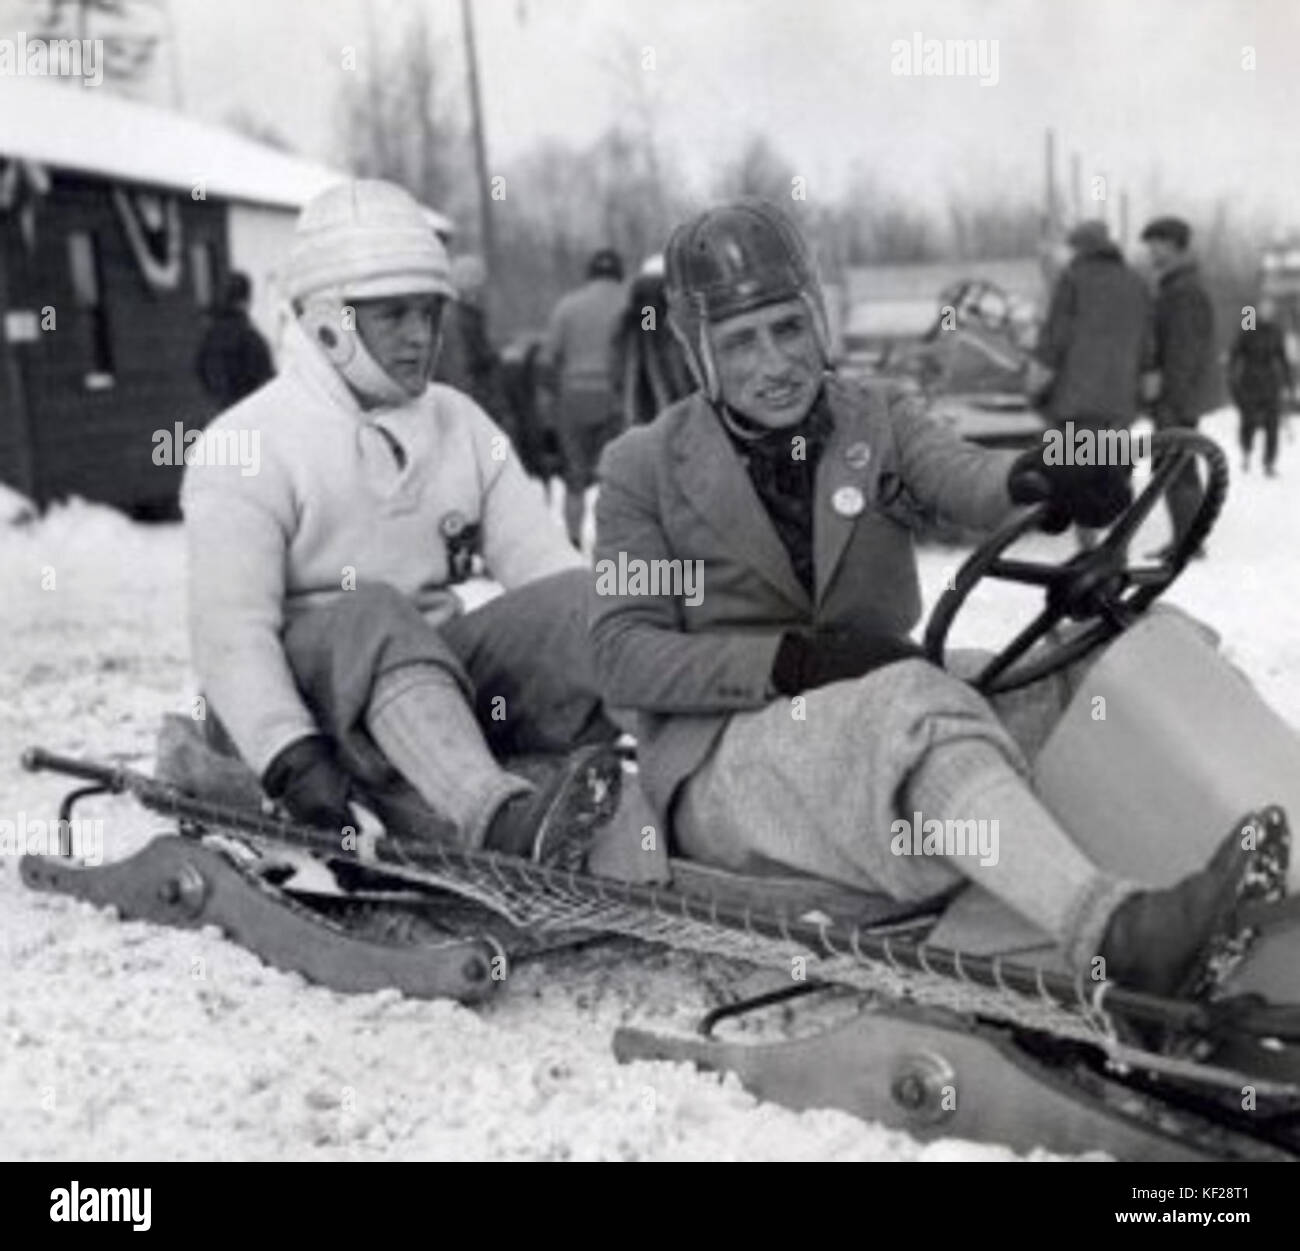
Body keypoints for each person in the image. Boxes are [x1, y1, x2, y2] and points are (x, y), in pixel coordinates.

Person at [590, 198, 1286, 1000]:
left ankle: (1273, 826)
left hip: (874, 696)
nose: (774, 362)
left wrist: (1040, 475)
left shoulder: (871, 415)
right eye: (739, 343)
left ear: (817, 318)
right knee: (915, 706)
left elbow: (967, 477)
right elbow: (620, 652)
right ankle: (1119, 934)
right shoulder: (641, 467)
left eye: (788, 328)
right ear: (698, 356)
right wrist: (792, 661)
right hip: (722, 762)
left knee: (1126, 645)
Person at [181, 180, 620, 866]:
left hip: (436, 686)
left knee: (596, 599)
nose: (422, 338)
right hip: (306, 710)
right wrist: (291, 759)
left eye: (430, 313)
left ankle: (694, 787)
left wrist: (605, 636)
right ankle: (495, 818)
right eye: (394, 316)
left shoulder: (459, 422)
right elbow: (228, 634)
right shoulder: (249, 442)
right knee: (375, 610)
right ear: (328, 321)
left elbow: (545, 570)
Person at [540, 248, 627, 547]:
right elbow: (647, 336)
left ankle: (573, 540)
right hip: (616, 399)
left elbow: (550, 356)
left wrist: (551, 403)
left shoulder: (567, 306)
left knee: (573, 477)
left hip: (573, 397)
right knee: (614, 477)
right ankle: (611, 539)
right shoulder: (635, 305)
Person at [1141, 216, 1216, 558]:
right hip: (1179, 390)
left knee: (1176, 464)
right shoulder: (1177, 284)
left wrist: (1169, 393)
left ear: (1174, 246)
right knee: (1177, 463)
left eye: (1156, 243)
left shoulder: (1182, 289)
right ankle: (1187, 538)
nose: (1151, 251)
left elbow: (1183, 349)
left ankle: (1187, 542)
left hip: (1177, 391)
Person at [610, 255, 693, 427]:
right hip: (658, 400)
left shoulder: (641, 311)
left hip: (644, 401)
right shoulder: (650, 308)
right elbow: (650, 346)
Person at [1228, 296, 1293, 477]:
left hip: (1271, 383)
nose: (1267, 312)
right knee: (1248, 422)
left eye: (1270, 309)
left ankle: (1269, 462)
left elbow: (1282, 357)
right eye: (1263, 308)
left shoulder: (1276, 330)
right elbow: (1236, 350)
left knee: (1272, 425)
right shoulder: (1249, 323)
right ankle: (1246, 452)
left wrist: (1288, 383)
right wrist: (1232, 375)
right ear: (1258, 310)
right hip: (1249, 383)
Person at [195, 271, 274, 407]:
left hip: (219, 413)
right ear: (247, 299)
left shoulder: (210, 336)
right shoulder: (250, 337)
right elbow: (266, 382)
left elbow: (200, 369)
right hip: (246, 413)